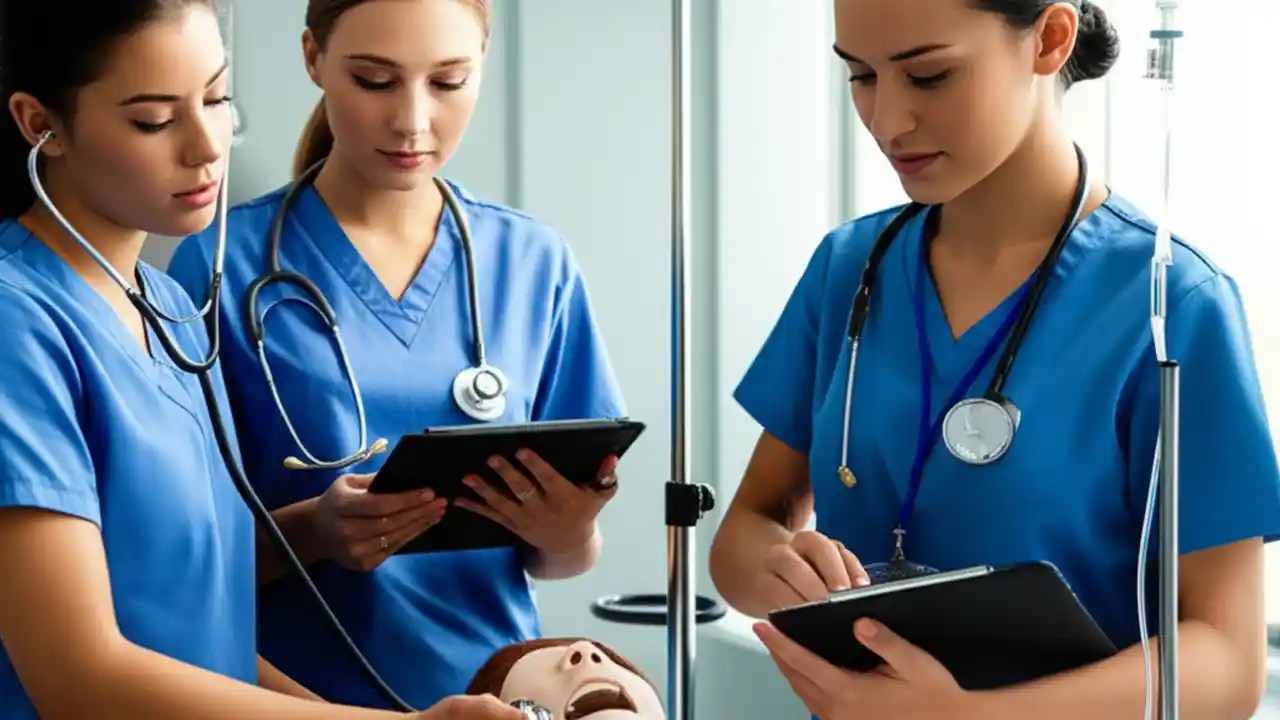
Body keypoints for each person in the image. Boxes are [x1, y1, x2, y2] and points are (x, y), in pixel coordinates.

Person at [710, 0, 1280, 717]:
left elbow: (1226, 661)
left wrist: (964, 716)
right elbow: (744, 531)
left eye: (929, 75)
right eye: (860, 76)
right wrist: (778, 570)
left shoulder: (1173, 303)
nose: (887, 121)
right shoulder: (849, 268)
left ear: (1049, 38)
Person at [0, 2, 525, 719]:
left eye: (217, 98)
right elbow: (80, 676)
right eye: (153, 120)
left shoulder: (170, 311)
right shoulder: (18, 320)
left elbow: (200, 635)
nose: (206, 146)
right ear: (40, 124)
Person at [166, 0, 626, 710]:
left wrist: (569, 533)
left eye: (448, 82)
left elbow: (561, 558)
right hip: (295, 702)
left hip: (496, 699)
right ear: (314, 58)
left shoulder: (534, 265)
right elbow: (169, 561)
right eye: (375, 80)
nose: (413, 121)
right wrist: (311, 534)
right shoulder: (220, 268)